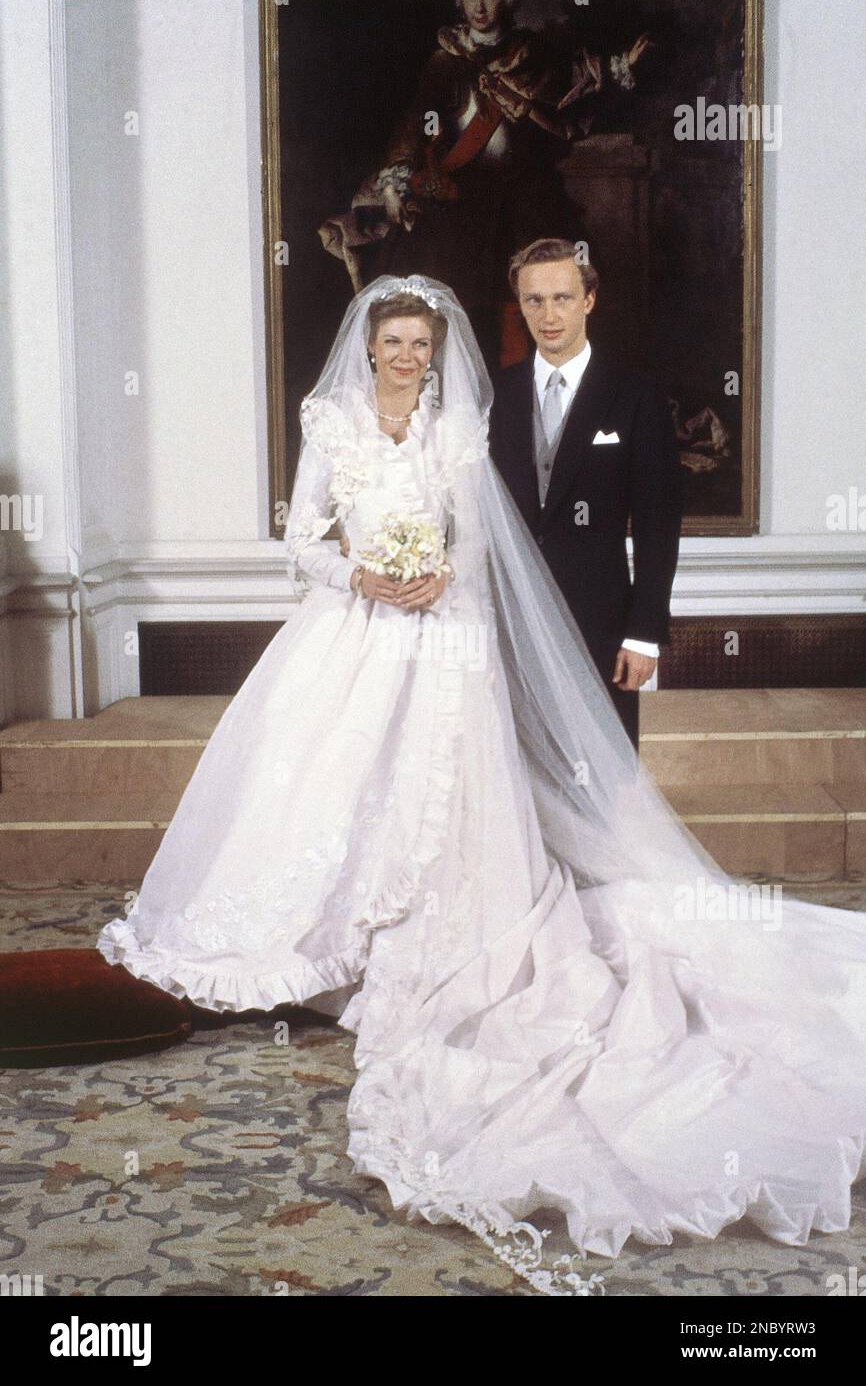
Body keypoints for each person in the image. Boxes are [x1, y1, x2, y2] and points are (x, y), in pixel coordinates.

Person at [98, 276, 866, 1298]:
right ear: (367, 348)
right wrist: (362, 576)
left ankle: (434, 933)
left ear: (436, 347)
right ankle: (320, 934)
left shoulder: (461, 430)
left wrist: (436, 577)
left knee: (450, 795)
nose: (407, 355)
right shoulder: (329, 420)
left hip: (445, 638)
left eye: (420, 341)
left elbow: (477, 544)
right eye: (393, 342)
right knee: (320, 782)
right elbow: (299, 539)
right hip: (352, 631)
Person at [320, 0, 651, 368]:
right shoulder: (444, 63)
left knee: (547, 290)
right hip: (459, 202)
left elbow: (577, 77)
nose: (480, 6)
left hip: (525, 195)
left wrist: (623, 64)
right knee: (444, 295)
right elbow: (414, 125)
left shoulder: (530, 54)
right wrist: (394, 181)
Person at [490, 237, 682, 751]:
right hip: (507, 621)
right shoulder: (494, 394)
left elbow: (658, 525)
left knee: (604, 776)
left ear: (589, 300)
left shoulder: (636, 395)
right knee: (516, 774)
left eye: (562, 298)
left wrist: (644, 633)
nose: (548, 314)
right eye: (534, 300)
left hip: (602, 624)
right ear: (521, 306)